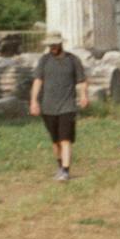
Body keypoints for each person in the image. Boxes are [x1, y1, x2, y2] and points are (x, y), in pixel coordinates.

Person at [30, 33, 88, 182]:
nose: (52, 47)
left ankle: (66, 171)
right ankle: (60, 165)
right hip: (48, 106)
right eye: (50, 45)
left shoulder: (73, 60)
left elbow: (81, 80)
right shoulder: (44, 60)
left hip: (67, 106)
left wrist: (83, 95)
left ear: (61, 44)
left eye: (55, 44)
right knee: (55, 141)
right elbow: (38, 81)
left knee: (65, 139)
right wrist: (34, 101)